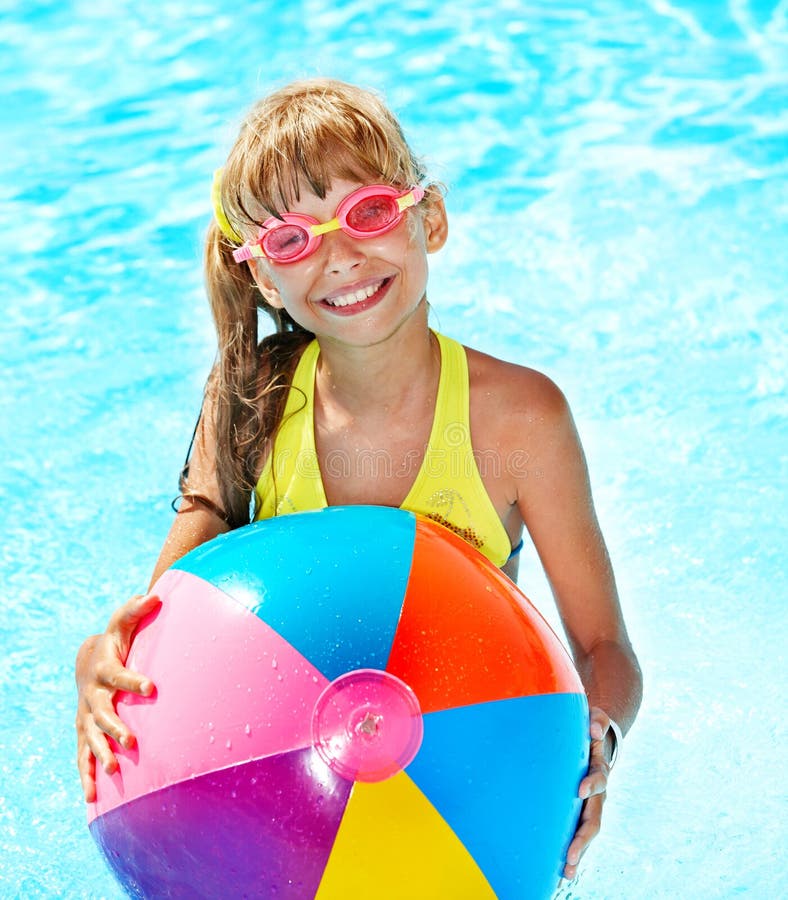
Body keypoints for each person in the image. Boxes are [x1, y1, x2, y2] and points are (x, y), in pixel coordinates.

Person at [75, 78, 642, 881]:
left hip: (466, 784)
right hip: (275, 806)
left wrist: (597, 742)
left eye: (368, 212)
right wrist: (99, 657)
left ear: (427, 219)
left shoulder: (521, 421)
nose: (340, 256)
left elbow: (603, 647)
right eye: (291, 241)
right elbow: (164, 622)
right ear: (264, 279)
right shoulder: (252, 404)